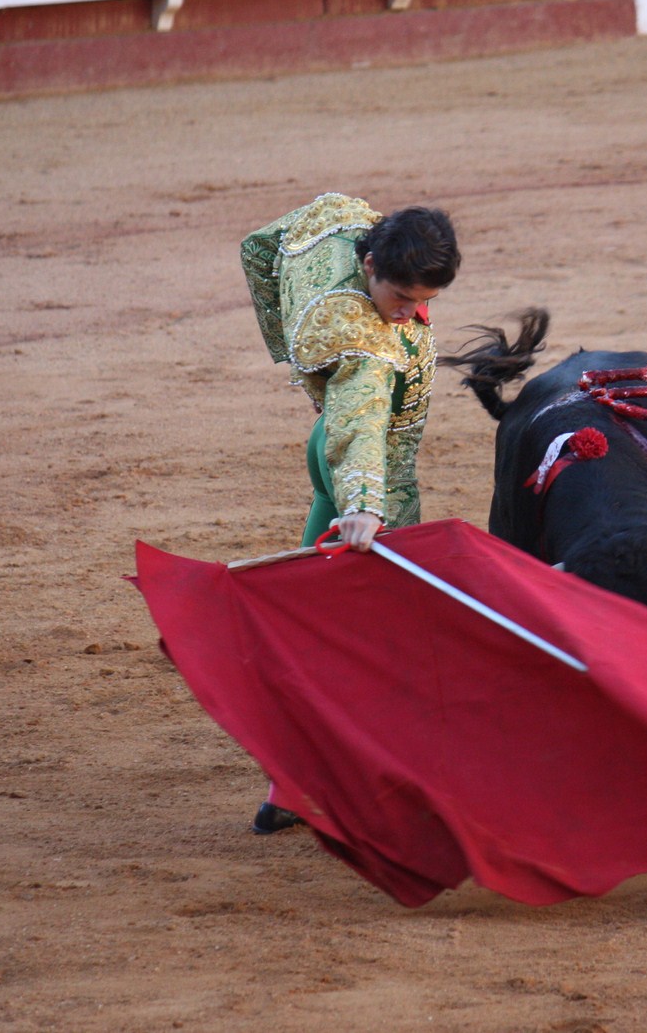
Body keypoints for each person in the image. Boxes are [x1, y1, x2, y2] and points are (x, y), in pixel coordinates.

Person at [238, 192, 461, 833]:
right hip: (366, 474)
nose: (411, 313)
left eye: (424, 301)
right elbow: (362, 420)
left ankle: (288, 788)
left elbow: (257, 248)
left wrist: (298, 357)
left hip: (324, 454)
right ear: (369, 265)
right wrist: (363, 507)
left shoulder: (342, 222)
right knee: (387, 636)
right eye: (400, 297)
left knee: (314, 622)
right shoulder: (364, 341)